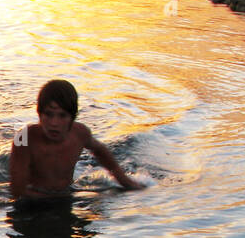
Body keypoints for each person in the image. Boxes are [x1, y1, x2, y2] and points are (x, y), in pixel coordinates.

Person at [9, 79, 144, 199]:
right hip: (32, 201)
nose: (54, 123)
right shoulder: (24, 139)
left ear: (72, 117)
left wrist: (125, 181)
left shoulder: (80, 133)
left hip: (65, 193)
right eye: (48, 115)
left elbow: (100, 150)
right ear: (39, 114)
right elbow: (17, 192)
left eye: (62, 116)